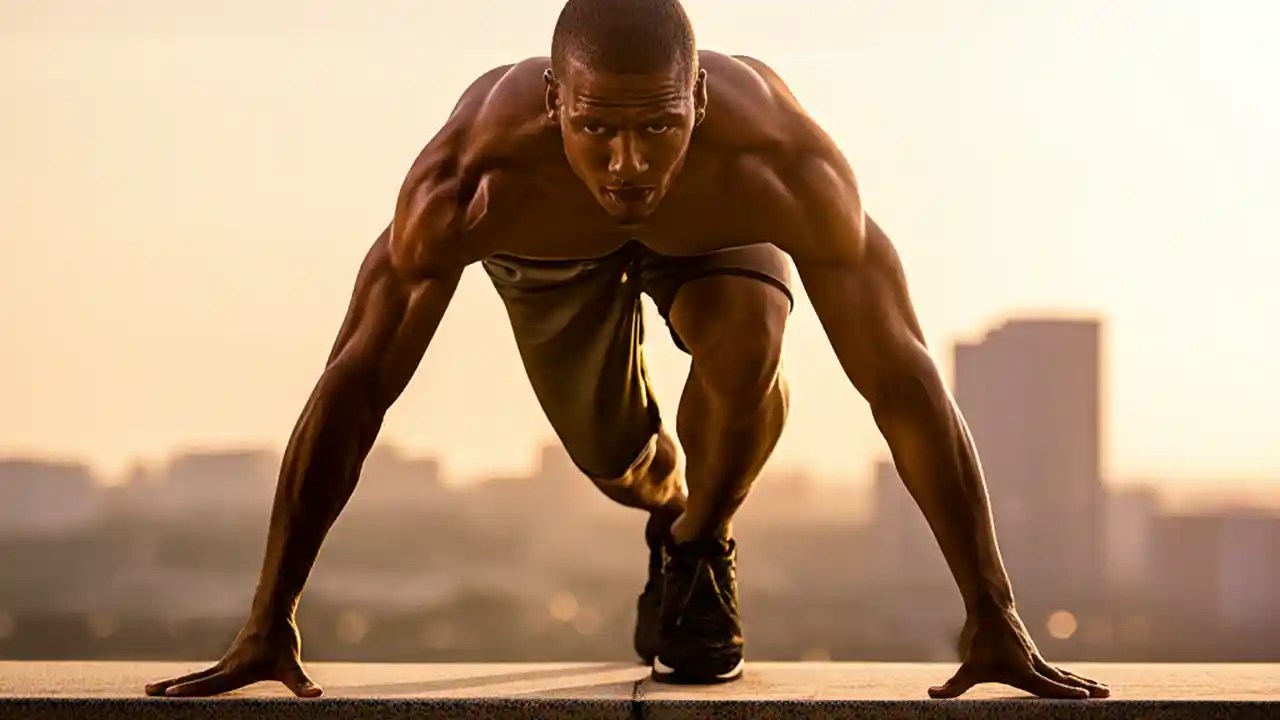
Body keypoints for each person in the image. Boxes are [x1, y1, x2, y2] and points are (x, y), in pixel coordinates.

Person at [145, 0, 1110, 699]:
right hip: (544, 256)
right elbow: (355, 387)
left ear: (698, 96)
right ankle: (662, 506)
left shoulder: (779, 163)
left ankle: (697, 550)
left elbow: (900, 380)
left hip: (716, 239)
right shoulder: (473, 179)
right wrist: (269, 616)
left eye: (658, 126)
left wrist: (993, 611)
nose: (629, 163)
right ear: (554, 99)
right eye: (598, 127)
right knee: (629, 467)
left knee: (747, 340)